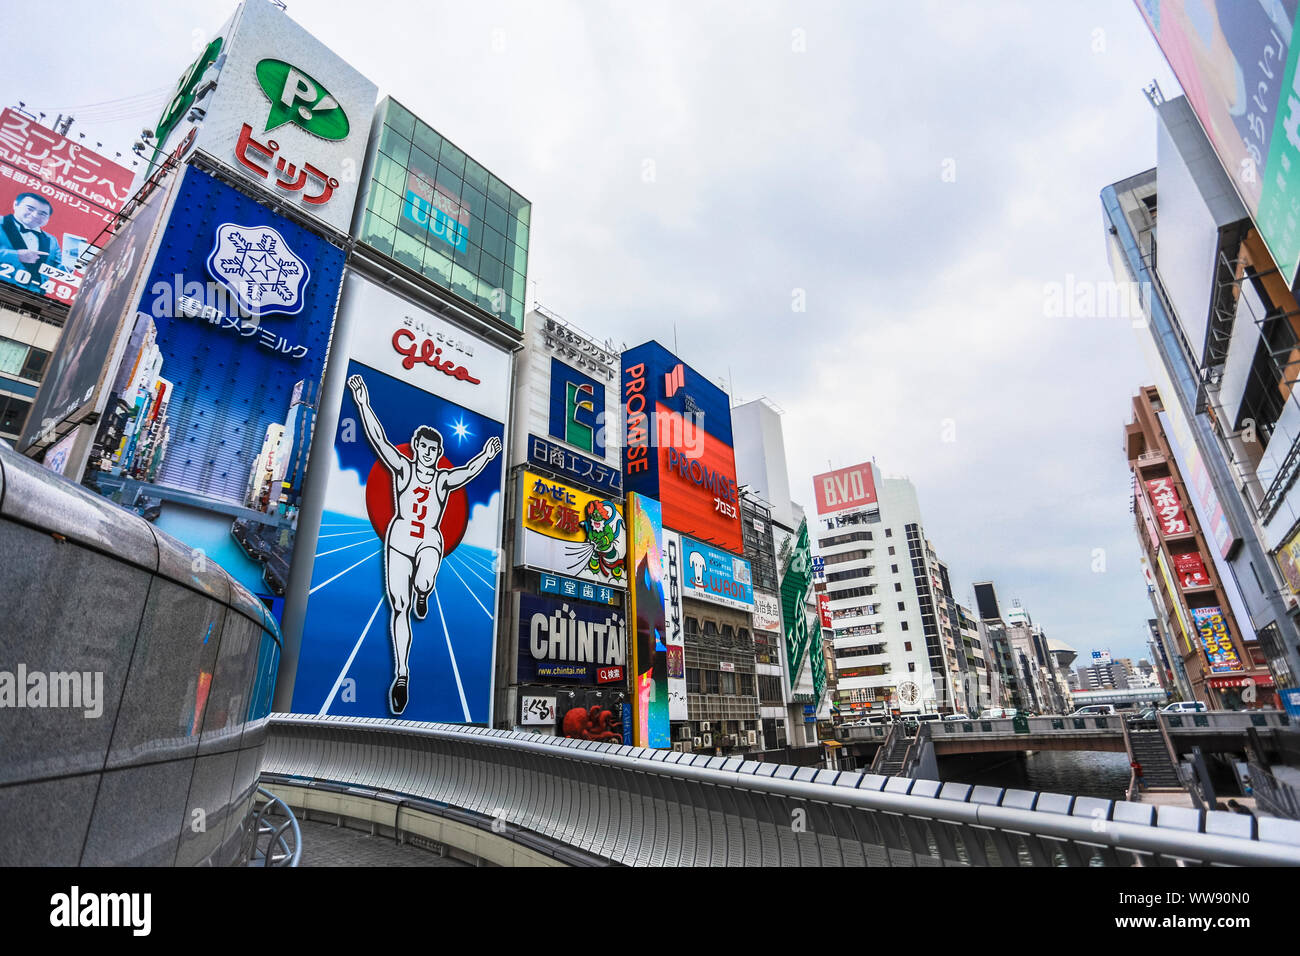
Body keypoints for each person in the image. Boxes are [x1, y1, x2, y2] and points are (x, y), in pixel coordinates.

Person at [347, 373, 501, 715]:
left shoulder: (443, 480)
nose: (428, 453)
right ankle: (402, 674)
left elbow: (468, 472)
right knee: (398, 608)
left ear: (438, 452)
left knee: (425, 578)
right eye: (424, 447)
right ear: (417, 448)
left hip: (429, 538)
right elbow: (379, 439)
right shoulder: (402, 469)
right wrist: (362, 403)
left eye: (434, 449)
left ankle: (423, 590)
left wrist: (488, 456)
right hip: (399, 538)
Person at [0, 192, 62, 293]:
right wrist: (16, 256)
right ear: (16, 205)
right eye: (30, 208)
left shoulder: (52, 240)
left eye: (42, 214)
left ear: (48, 218)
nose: (35, 215)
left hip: (33, 295)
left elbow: (58, 268)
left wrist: (73, 266)